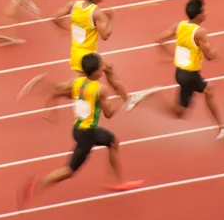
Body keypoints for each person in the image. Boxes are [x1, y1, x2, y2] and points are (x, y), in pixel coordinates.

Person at [16, 53, 144, 209]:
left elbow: (58, 90)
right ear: (96, 72)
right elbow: (109, 114)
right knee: (69, 171)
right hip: (87, 135)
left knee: (112, 141)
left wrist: (42, 88)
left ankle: (117, 182)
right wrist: (122, 100)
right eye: (101, 68)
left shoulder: (76, 83)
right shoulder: (100, 90)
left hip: (79, 129)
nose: (103, 70)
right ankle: (37, 184)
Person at [50, 0, 148, 111]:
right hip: (88, 55)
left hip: (75, 53)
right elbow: (105, 35)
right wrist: (112, 18)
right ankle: (51, 90)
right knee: (77, 89)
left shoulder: (73, 5)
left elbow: (55, 17)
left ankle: (128, 99)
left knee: (107, 70)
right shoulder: (96, 13)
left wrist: (69, 30)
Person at [151, 0, 224, 140]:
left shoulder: (180, 25)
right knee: (209, 89)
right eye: (204, 11)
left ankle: (153, 98)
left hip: (181, 73)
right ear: (199, 16)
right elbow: (209, 56)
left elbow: (159, 40)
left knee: (178, 113)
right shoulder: (200, 32)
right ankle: (221, 126)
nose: (206, 13)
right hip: (190, 75)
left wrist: (168, 56)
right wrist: (218, 50)